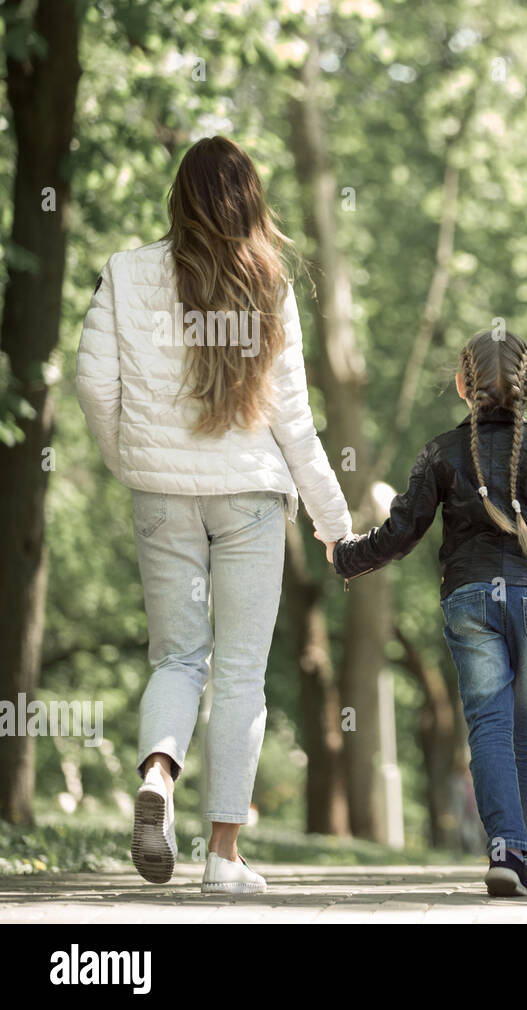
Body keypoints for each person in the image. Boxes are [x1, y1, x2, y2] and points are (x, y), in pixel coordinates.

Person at [75, 136, 352, 894]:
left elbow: (93, 385)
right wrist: (337, 527)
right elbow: (295, 420)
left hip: (162, 494)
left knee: (177, 658)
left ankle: (158, 779)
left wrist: (129, 459)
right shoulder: (270, 283)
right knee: (238, 674)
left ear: (179, 198)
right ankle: (222, 858)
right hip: (250, 499)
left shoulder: (126, 273)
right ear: (250, 200)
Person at [327, 328, 527, 897]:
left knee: (488, 724)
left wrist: (346, 557)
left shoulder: (440, 452)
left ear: (462, 384)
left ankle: (510, 848)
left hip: (470, 600)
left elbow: (401, 532)